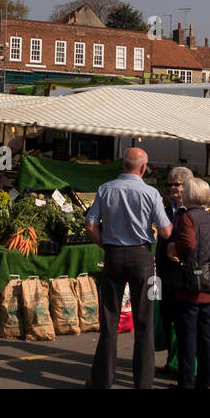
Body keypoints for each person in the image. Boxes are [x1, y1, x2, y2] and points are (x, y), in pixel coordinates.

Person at [84, 147, 172, 389]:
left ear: (123, 165)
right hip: (142, 257)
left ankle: (102, 380)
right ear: (143, 168)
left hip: (113, 255)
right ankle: (143, 382)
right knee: (144, 321)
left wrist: (106, 244)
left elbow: (90, 225)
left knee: (109, 319)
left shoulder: (105, 189)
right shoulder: (151, 193)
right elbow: (165, 231)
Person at [166, 178, 210, 390]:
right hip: (209, 288)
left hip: (190, 287)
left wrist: (173, 247)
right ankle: (207, 380)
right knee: (206, 336)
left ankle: (186, 383)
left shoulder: (187, 218)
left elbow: (188, 243)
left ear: (187, 195)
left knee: (187, 338)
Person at [155, 165, 194, 378]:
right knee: (168, 318)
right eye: (170, 185)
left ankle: (183, 365)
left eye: (177, 185)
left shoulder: (191, 212)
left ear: (187, 186)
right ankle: (171, 361)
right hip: (164, 271)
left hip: (182, 274)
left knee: (183, 323)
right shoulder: (168, 210)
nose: (172, 188)